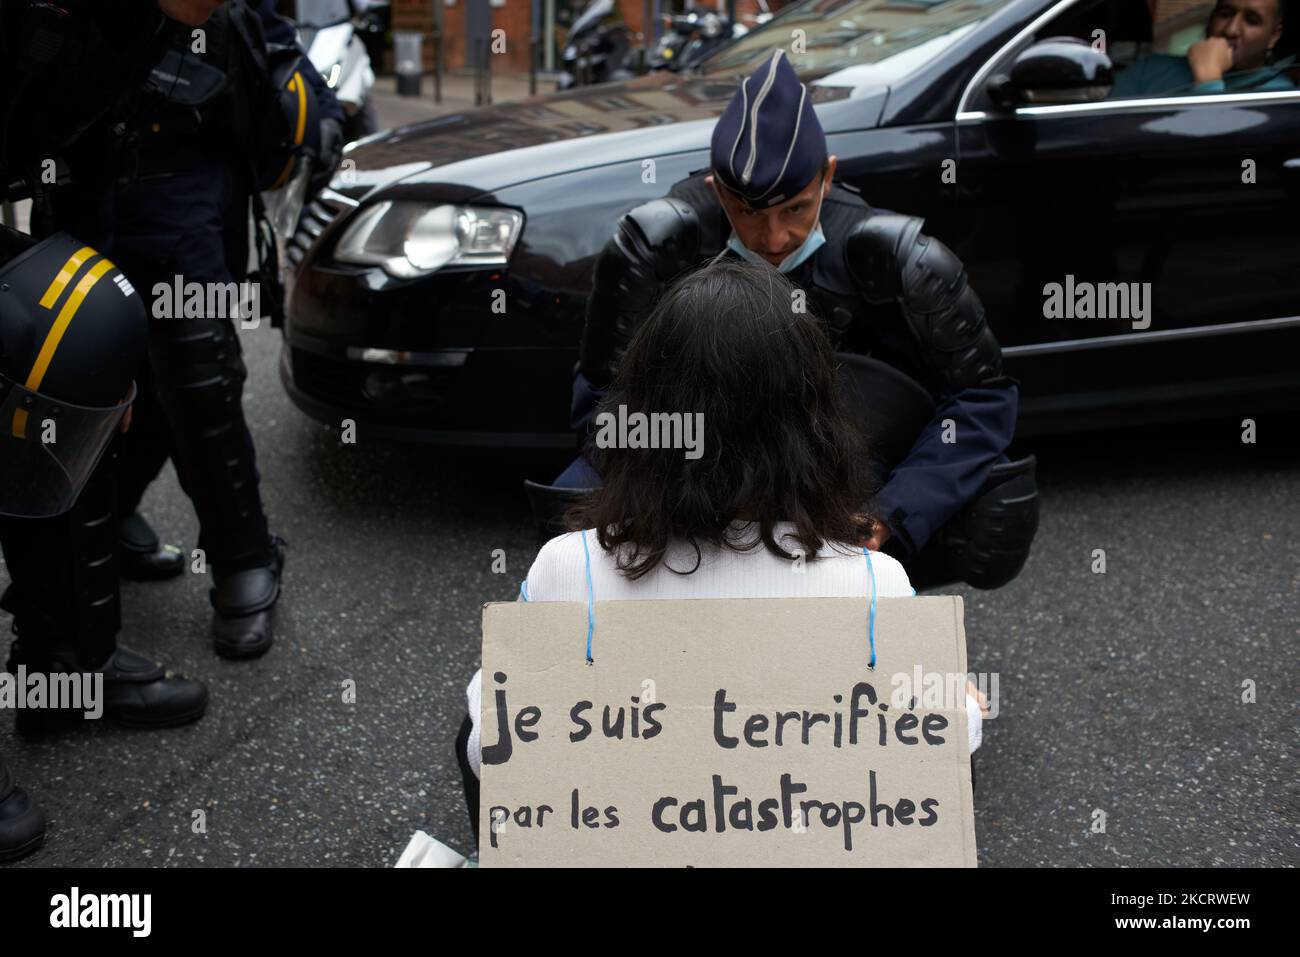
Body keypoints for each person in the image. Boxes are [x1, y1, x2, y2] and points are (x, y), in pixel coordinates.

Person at [456, 259, 988, 846]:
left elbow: (489, 747)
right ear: (814, 428)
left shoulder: (568, 568)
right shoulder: (875, 584)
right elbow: (948, 739)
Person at [560, 48, 1032, 589]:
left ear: (828, 177)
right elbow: (600, 397)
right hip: (686, 462)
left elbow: (983, 397)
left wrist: (894, 510)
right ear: (716, 189)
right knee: (569, 521)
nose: (774, 239)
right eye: (748, 212)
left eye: (796, 210)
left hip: (847, 469)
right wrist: (657, 497)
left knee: (996, 511)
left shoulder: (900, 259)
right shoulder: (659, 247)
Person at [110, 0, 343, 658]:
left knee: (197, 372)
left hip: (185, 190)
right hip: (88, 182)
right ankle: (103, 525)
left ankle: (242, 560)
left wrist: (319, 119)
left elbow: (272, 46)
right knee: (100, 374)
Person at [1111, 0, 1295, 97]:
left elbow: (1220, 155)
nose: (1230, 29)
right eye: (1225, 14)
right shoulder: (1149, 69)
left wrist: (1208, 80)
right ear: (1211, 19)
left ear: (1274, 35)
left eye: (1251, 20)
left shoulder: (1279, 96)